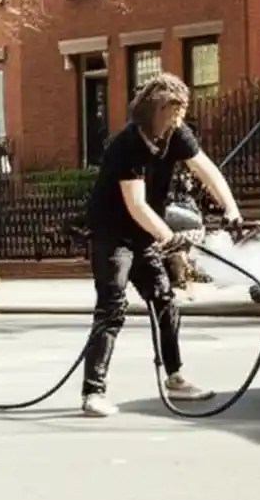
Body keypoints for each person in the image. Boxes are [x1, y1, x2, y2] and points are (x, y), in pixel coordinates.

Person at [80, 72, 243, 418]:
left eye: (181, 110)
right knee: (112, 306)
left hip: (142, 233)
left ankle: (175, 377)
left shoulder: (176, 135)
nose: (179, 118)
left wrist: (231, 209)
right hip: (112, 234)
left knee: (164, 299)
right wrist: (170, 239)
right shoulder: (127, 146)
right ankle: (93, 391)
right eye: (173, 111)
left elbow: (206, 169)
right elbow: (136, 204)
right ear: (154, 111)